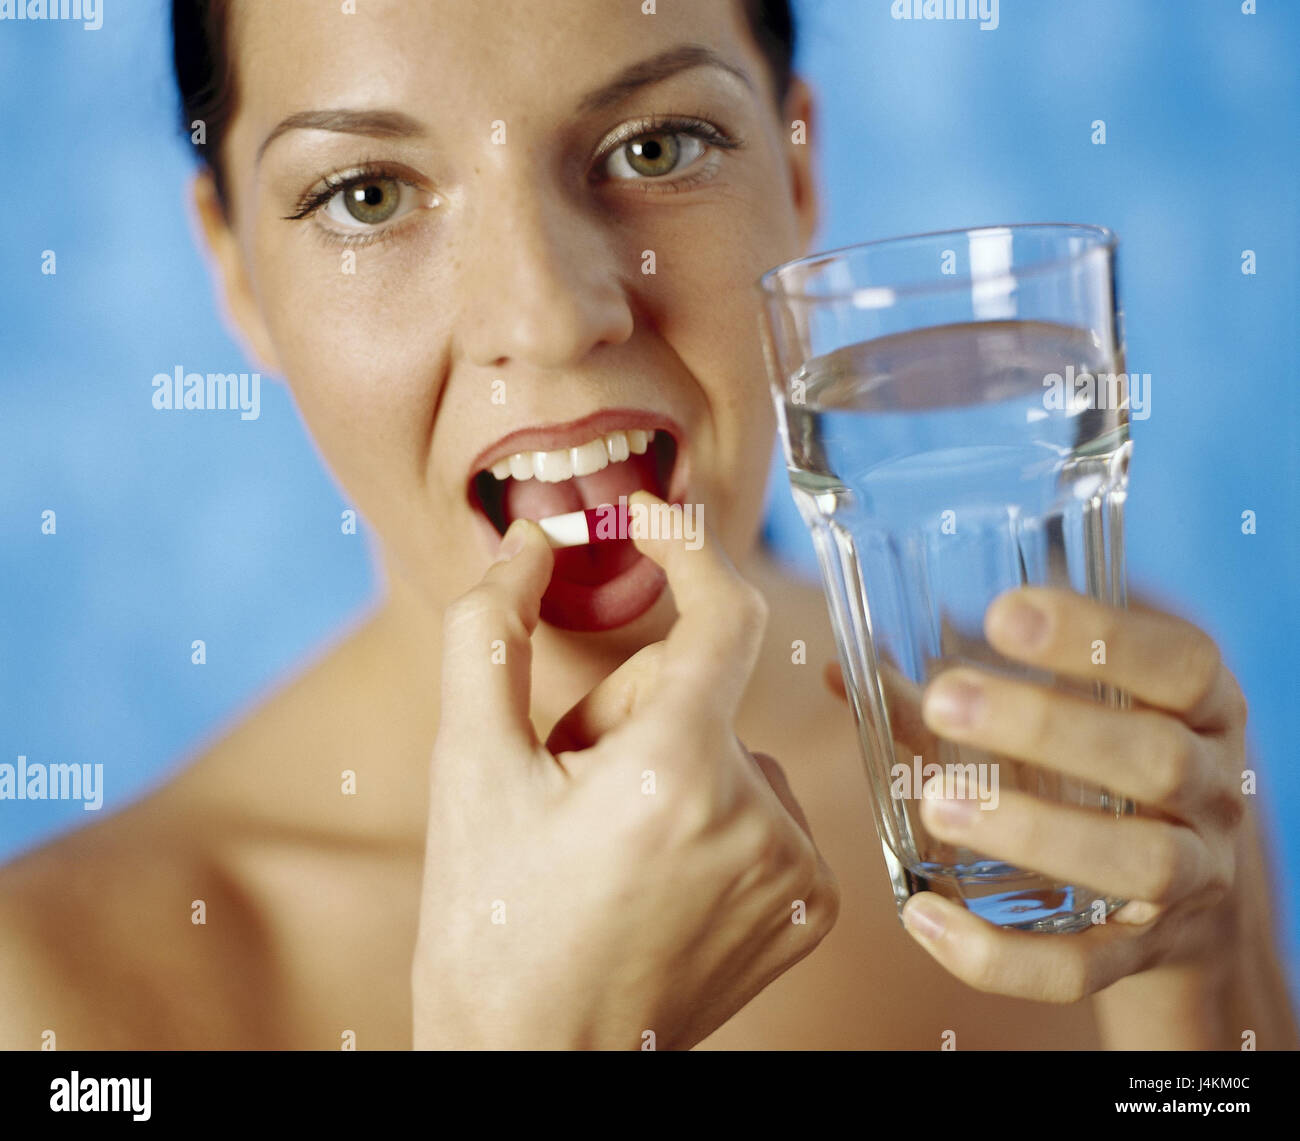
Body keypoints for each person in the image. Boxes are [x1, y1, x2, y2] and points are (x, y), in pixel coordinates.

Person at [1, 0, 1294, 1050]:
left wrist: (1206, 1001)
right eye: (367, 195)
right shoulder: (60, 990)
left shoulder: (1085, 761)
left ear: (797, 175)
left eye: (655, 147)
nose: (553, 315)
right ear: (235, 270)